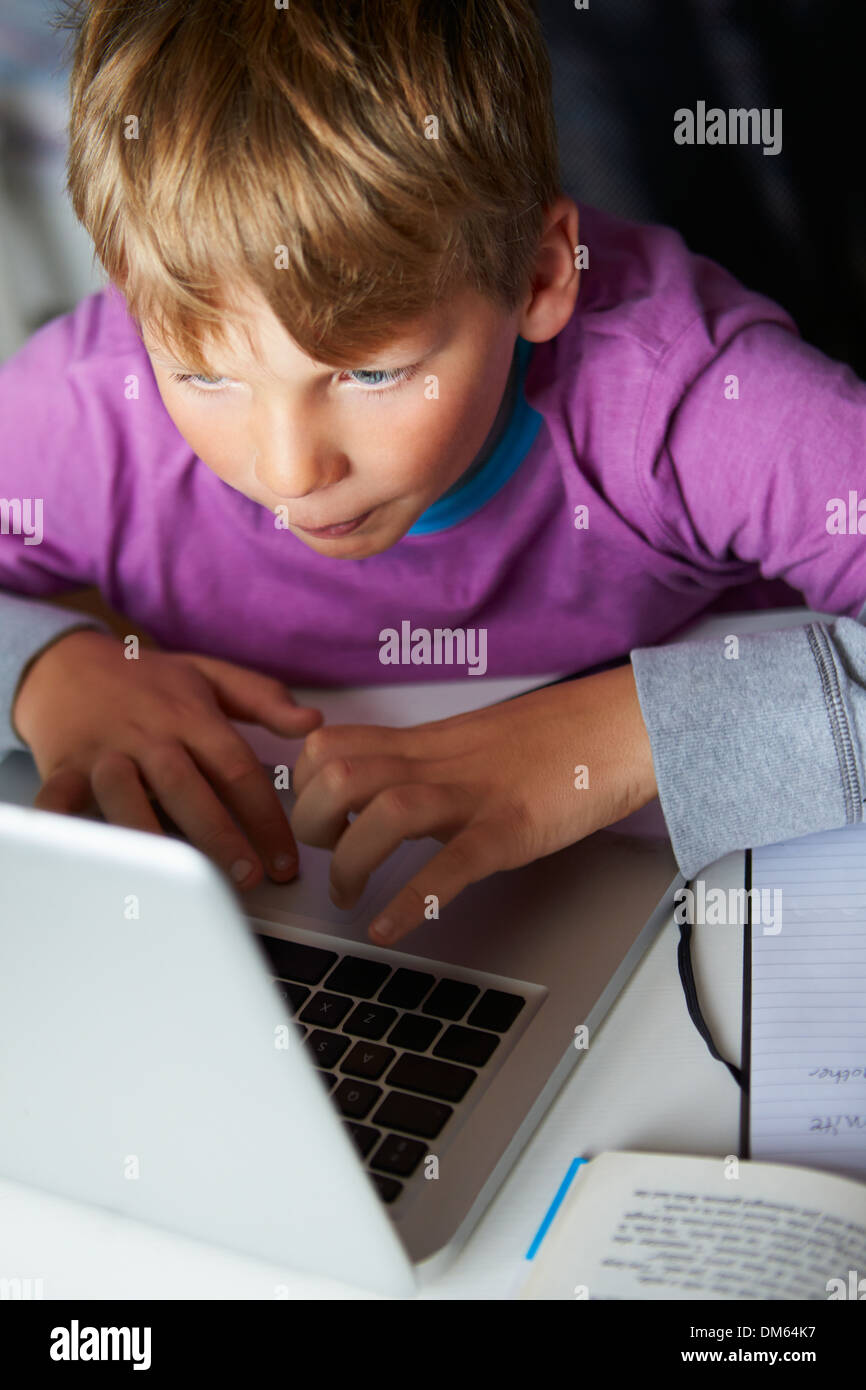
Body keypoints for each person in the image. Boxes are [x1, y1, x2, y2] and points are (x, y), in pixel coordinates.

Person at [2, 0, 865, 947]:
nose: (290, 469)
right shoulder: (92, 413)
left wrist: (637, 736)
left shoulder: (693, 403)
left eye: (371, 373)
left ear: (538, 277)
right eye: (205, 373)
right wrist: (47, 672)